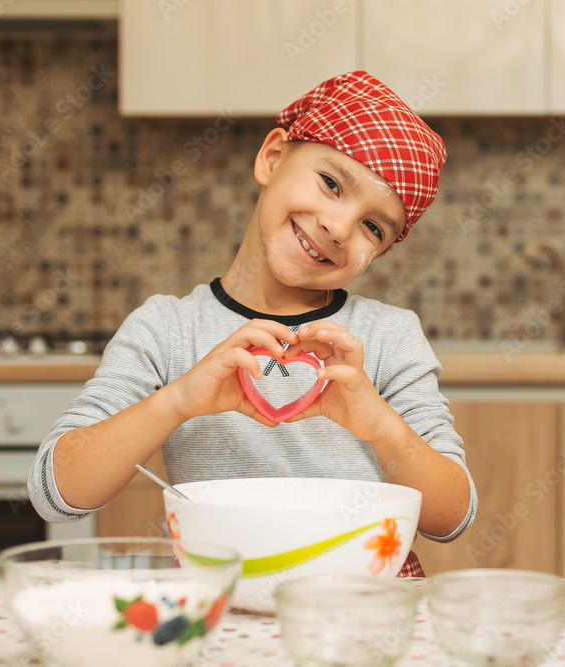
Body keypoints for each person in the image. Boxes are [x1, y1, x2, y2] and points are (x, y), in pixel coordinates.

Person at [28, 71, 477, 577]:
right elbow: (55, 495)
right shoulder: (165, 328)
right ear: (272, 157)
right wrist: (177, 401)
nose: (338, 226)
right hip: (217, 605)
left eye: (373, 227)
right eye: (331, 183)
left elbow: (452, 518)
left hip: (364, 615)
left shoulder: (390, 338)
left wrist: (381, 426)